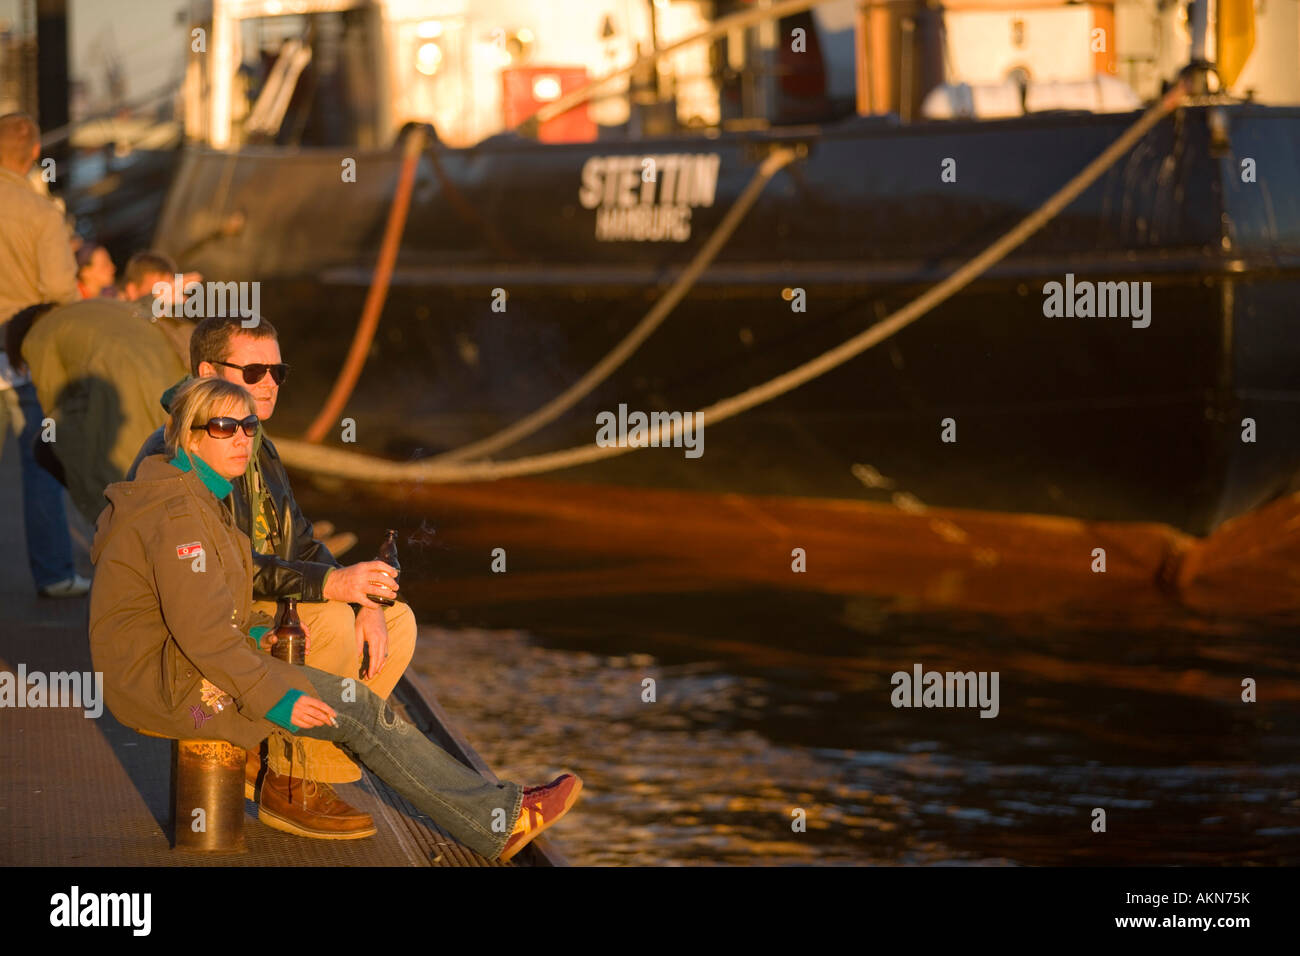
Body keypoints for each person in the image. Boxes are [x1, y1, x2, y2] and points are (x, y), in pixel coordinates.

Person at [90, 376, 580, 862]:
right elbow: (204, 637)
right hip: (175, 691)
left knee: (351, 699)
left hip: (182, 665)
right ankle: (495, 822)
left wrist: (263, 636)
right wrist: (277, 698)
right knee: (360, 714)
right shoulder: (181, 517)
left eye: (248, 426)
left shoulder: (196, 492)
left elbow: (202, 613)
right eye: (223, 426)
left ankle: (474, 807)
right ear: (190, 436)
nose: (241, 438)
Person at [128, 315, 413, 840]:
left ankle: (288, 762)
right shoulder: (180, 451)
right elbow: (218, 572)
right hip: (193, 628)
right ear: (207, 371)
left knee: (397, 621)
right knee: (323, 626)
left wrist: (364, 597)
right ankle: (288, 778)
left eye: (277, 372)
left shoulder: (258, 444)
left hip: (250, 604)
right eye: (254, 370)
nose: (269, 385)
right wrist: (332, 589)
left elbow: (301, 542)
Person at [20, 258, 194, 524]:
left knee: (53, 446)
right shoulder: (93, 305)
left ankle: (112, 522)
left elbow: (51, 399)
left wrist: (59, 445)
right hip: (170, 369)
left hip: (124, 382)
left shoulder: (38, 335)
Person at [0, 112, 85, 597]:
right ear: (34, 153)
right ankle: (53, 574)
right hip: (22, 349)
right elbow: (59, 288)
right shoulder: (39, 212)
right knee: (39, 461)